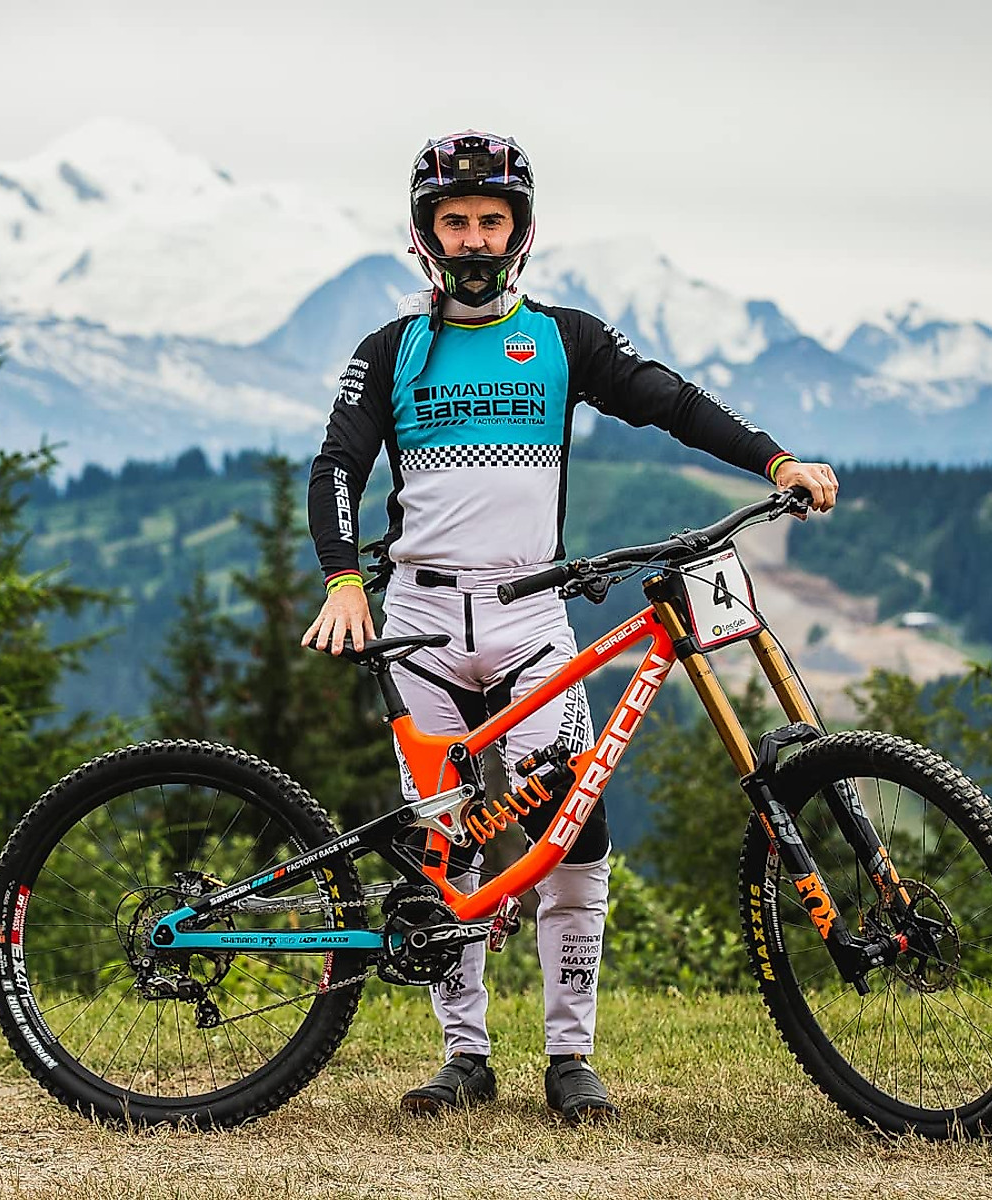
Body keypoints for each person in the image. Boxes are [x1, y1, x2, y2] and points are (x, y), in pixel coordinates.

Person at [303, 130, 838, 1123]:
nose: (472, 239)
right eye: (453, 221)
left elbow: (670, 402)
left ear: (521, 231)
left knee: (572, 831)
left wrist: (774, 460)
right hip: (419, 623)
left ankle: (569, 1057)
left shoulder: (563, 339)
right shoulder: (388, 351)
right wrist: (343, 580)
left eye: (489, 220)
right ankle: (464, 1058)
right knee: (448, 844)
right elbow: (338, 465)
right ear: (424, 234)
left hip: (531, 621)